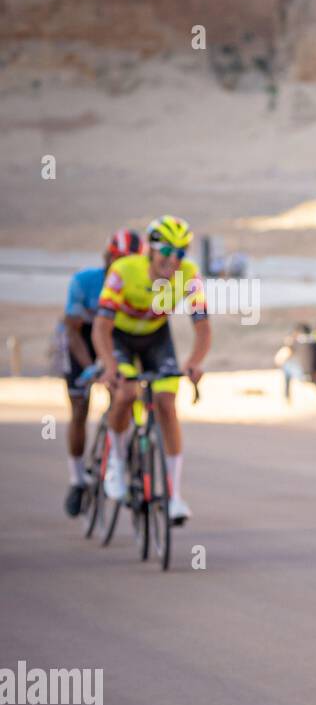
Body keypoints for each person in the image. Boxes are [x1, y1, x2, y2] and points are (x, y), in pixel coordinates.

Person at [92, 215, 210, 524]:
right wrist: (110, 366)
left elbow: (203, 328)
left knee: (167, 405)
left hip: (156, 339)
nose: (173, 260)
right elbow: (101, 328)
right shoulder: (123, 272)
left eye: (181, 253)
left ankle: (173, 496)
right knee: (127, 392)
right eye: (167, 251)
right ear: (150, 250)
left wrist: (195, 361)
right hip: (120, 339)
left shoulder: (188, 275)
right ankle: (117, 463)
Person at [60, 229, 142, 515]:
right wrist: (89, 368)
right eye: (119, 260)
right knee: (80, 407)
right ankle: (77, 480)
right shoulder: (84, 281)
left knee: (126, 397)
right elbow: (72, 329)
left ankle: (123, 464)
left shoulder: (135, 284)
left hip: (112, 340)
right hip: (81, 341)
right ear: (107, 257)